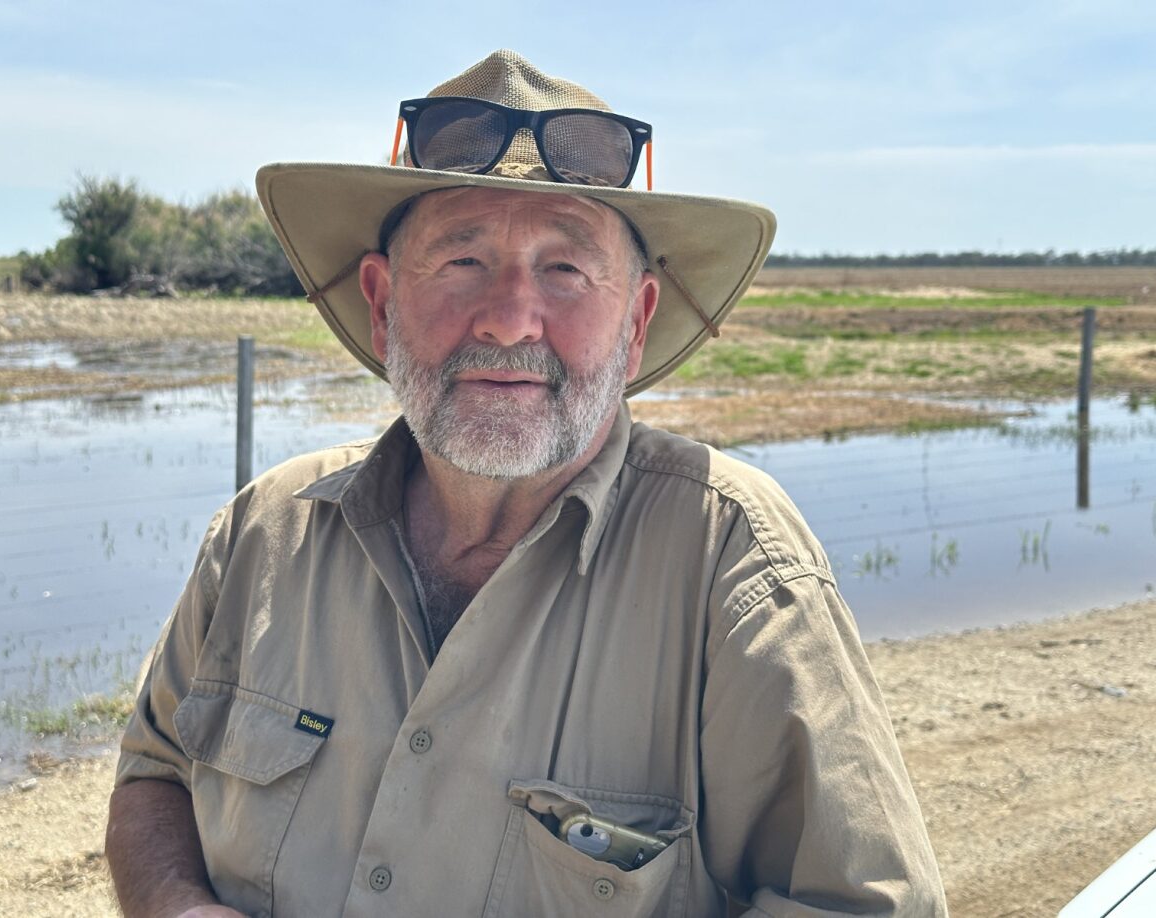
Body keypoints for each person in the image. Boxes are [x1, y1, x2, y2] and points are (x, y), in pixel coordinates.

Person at [106, 50, 947, 917]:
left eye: (566, 270)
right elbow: (156, 770)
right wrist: (175, 904)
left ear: (636, 321)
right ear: (383, 303)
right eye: (462, 261)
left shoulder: (735, 564)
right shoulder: (263, 530)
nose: (509, 321)